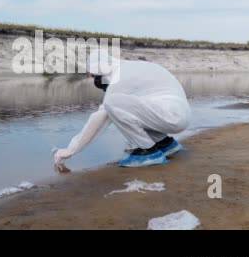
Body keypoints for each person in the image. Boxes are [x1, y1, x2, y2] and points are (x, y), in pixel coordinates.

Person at [53, 51, 191, 169]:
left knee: (111, 103)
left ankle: (147, 151)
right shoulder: (132, 67)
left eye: (94, 76)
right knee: (129, 110)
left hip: (171, 115)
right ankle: (164, 143)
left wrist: (70, 150)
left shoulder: (120, 76)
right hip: (176, 114)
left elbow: (100, 118)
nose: (95, 80)